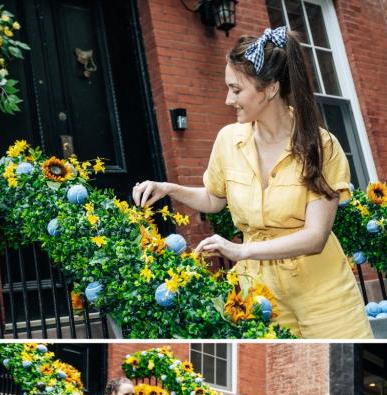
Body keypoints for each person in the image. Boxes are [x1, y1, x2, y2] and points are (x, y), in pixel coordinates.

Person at [132, 28, 371, 339]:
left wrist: (242, 251)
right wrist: (168, 188)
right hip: (260, 295)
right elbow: (213, 199)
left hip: (323, 294)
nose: (228, 99)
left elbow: (315, 237)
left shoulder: (321, 146)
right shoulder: (228, 139)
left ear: (270, 89)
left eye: (236, 89)